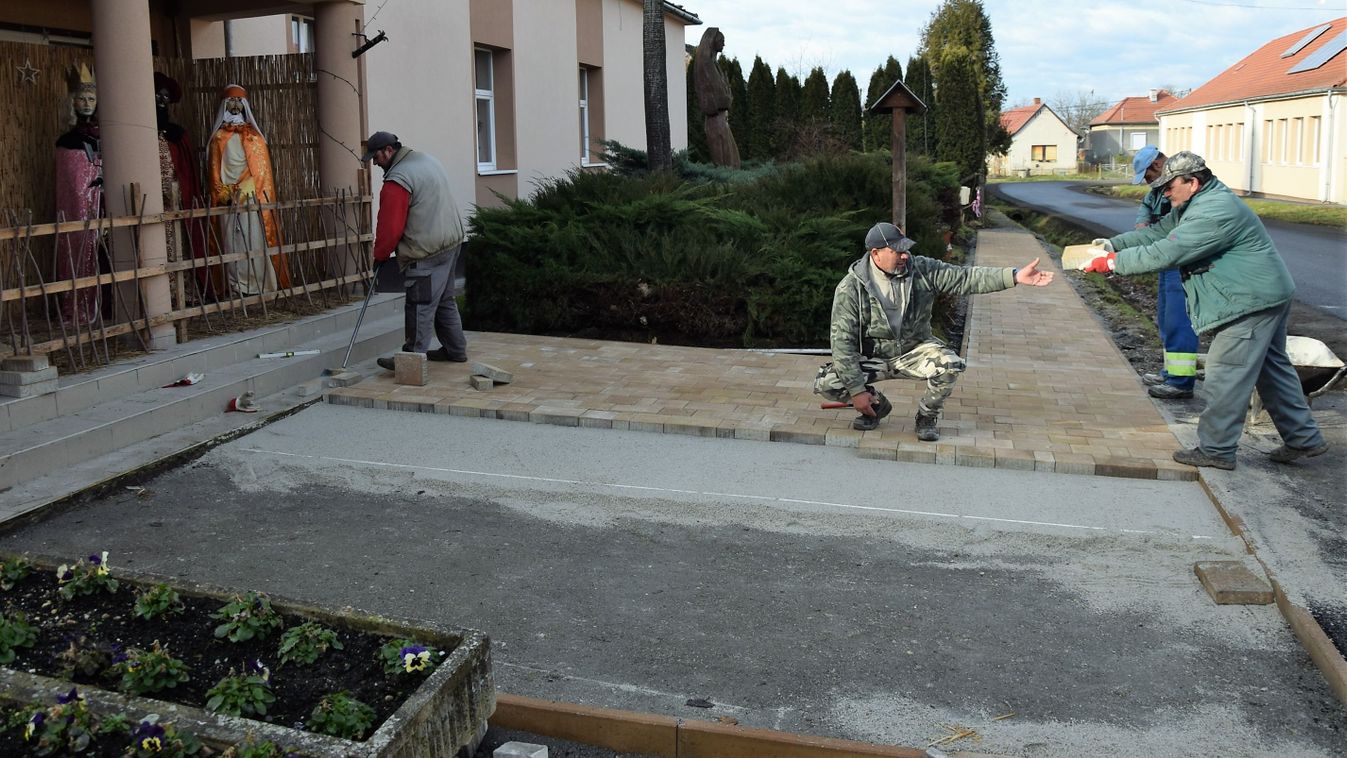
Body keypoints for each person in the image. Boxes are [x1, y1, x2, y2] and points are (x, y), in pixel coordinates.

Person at [1082, 152, 1327, 470]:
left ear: (1192, 182)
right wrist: (1112, 246)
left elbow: (1168, 250)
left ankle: (1217, 450)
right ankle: (1304, 439)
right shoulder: (1195, 204)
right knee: (1272, 371)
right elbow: (1156, 233)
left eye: (1169, 187)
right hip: (1265, 296)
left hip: (1248, 303)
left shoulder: (1214, 211)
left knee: (1226, 375)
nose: (1164, 194)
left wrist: (1113, 264)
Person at [814, 222, 1055, 440]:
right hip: (874, 356)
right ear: (875, 253)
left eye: (906, 249)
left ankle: (926, 417)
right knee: (827, 382)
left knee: (950, 363)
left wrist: (1013, 276)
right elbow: (842, 343)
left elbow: (965, 278)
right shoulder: (851, 288)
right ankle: (875, 406)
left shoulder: (923, 270)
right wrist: (857, 391)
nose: (905, 255)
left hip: (914, 350)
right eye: (897, 251)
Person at [362, 131, 468, 371]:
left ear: (389, 151)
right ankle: (456, 350)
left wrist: (380, 255)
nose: (375, 163)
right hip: (451, 242)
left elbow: (390, 226)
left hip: (426, 250)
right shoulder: (425, 160)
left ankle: (412, 359)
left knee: (419, 304)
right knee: (444, 300)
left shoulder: (398, 180)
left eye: (376, 157)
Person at [207, 84, 290, 296]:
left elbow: (261, 173)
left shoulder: (255, 138)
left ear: (244, 106)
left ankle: (256, 284)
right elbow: (215, 171)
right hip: (227, 201)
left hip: (251, 200)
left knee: (252, 240)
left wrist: (245, 190)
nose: (234, 106)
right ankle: (235, 286)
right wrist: (223, 193)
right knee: (231, 244)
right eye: (231, 102)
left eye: (238, 102)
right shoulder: (217, 139)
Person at [1130, 145, 1198, 400]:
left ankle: (1181, 382)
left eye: (1147, 176)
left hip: (1181, 262)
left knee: (1180, 321)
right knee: (1167, 318)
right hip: (1166, 261)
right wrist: (1143, 223)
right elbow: (1147, 206)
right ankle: (1170, 372)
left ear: (1156, 166)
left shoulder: (1184, 186)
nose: (1150, 184)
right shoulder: (1161, 187)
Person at [54, 62, 102, 327]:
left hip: (104, 206)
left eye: (91, 98)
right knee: (80, 249)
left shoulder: (104, 136)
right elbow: (71, 184)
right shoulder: (67, 142)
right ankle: (80, 307)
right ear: (73, 102)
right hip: (81, 210)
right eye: (82, 98)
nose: (87, 103)